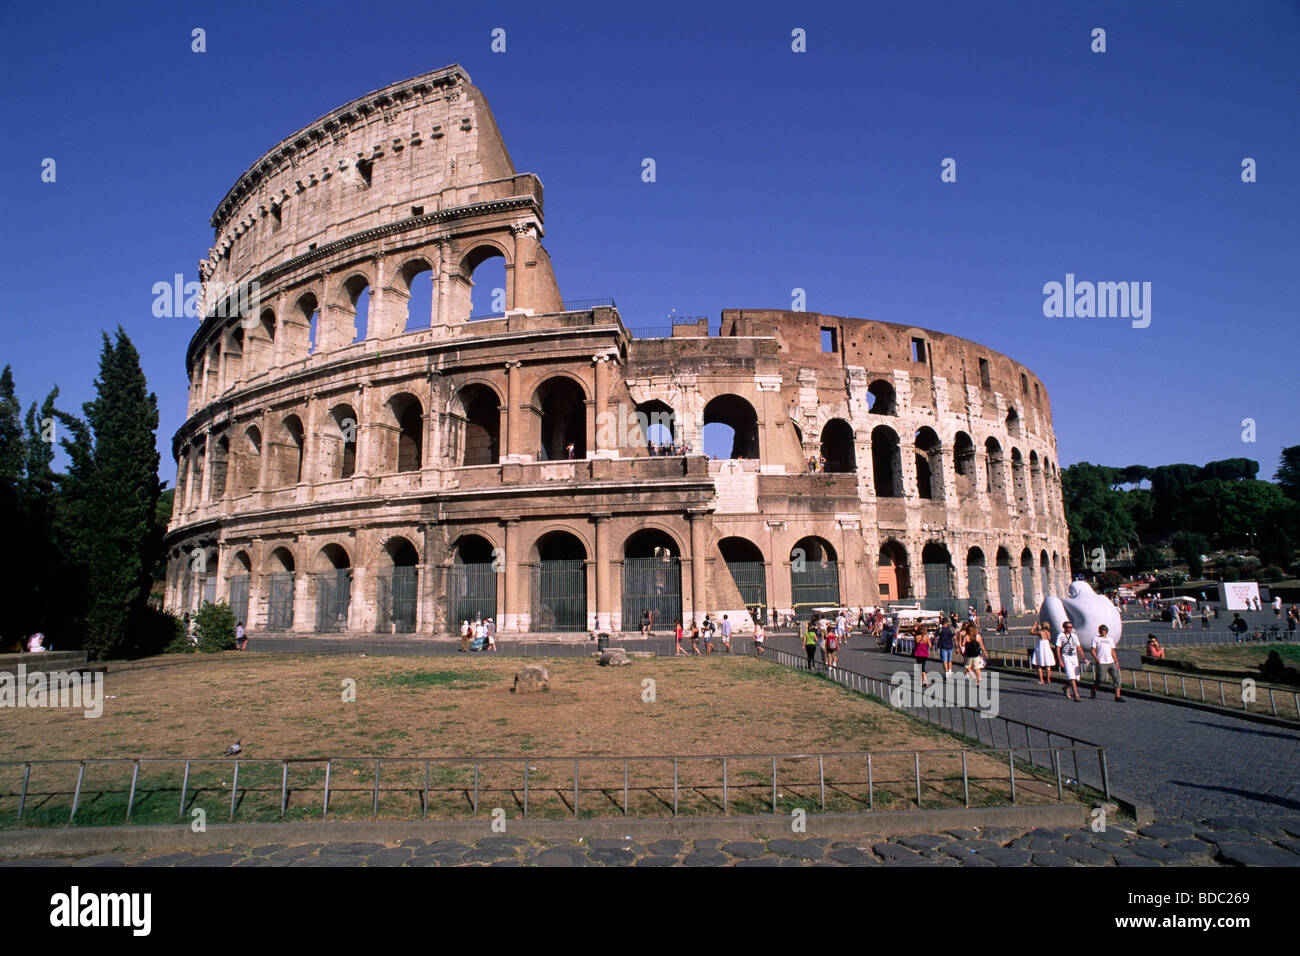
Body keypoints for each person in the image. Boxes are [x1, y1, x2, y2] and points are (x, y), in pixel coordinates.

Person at [1090, 624, 1123, 701]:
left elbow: (1112, 651)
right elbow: (1092, 650)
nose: (1103, 631)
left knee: (1116, 678)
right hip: (1102, 662)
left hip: (1111, 661)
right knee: (1100, 679)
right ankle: (1093, 690)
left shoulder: (1110, 639)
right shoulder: (1096, 639)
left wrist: (1116, 661)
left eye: (1104, 630)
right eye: (1101, 630)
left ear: (1106, 631)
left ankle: (1117, 696)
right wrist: (1096, 658)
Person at [1055, 621, 1083, 701]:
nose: (1070, 629)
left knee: (1076, 677)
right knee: (1071, 676)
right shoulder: (1060, 636)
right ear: (1064, 627)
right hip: (1066, 657)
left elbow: (1079, 646)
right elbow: (1058, 648)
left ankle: (1066, 687)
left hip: (1074, 657)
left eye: (1071, 627)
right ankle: (1076, 695)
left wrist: (1084, 657)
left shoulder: (1074, 636)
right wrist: (1059, 660)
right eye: (1068, 627)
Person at [1029, 620, 1056, 685]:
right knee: (1048, 665)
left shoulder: (1041, 632)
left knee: (1039, 665)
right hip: (1047, 648)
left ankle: (1041, 680)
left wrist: (1034, 626)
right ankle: (1048, 679)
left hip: (1041, 648)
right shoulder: (1048, 633)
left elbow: (1031, 632)